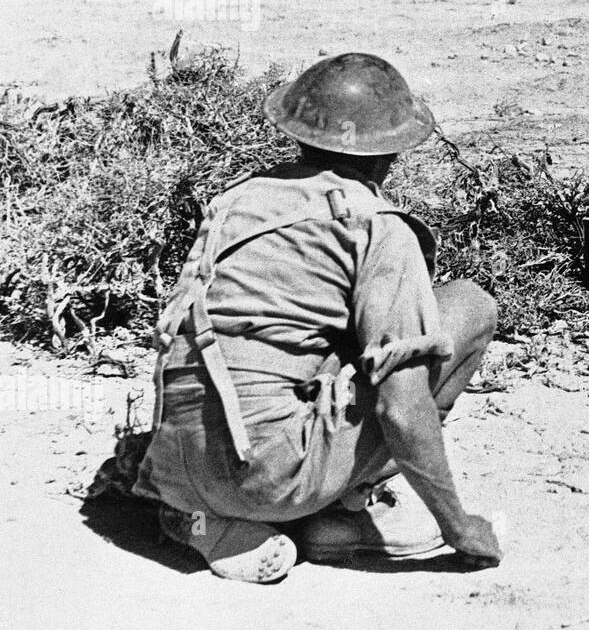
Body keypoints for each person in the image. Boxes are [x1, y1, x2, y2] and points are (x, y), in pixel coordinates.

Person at [133, 53, 502, 582]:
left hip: (173, 463)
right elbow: (402, 406)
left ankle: (207, 519)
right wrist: (458, 526)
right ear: (391, 151)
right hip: (266, 474)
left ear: (297, 131)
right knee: (469, 306)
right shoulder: (376, 226)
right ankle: (340, 510)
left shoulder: (238, 199)